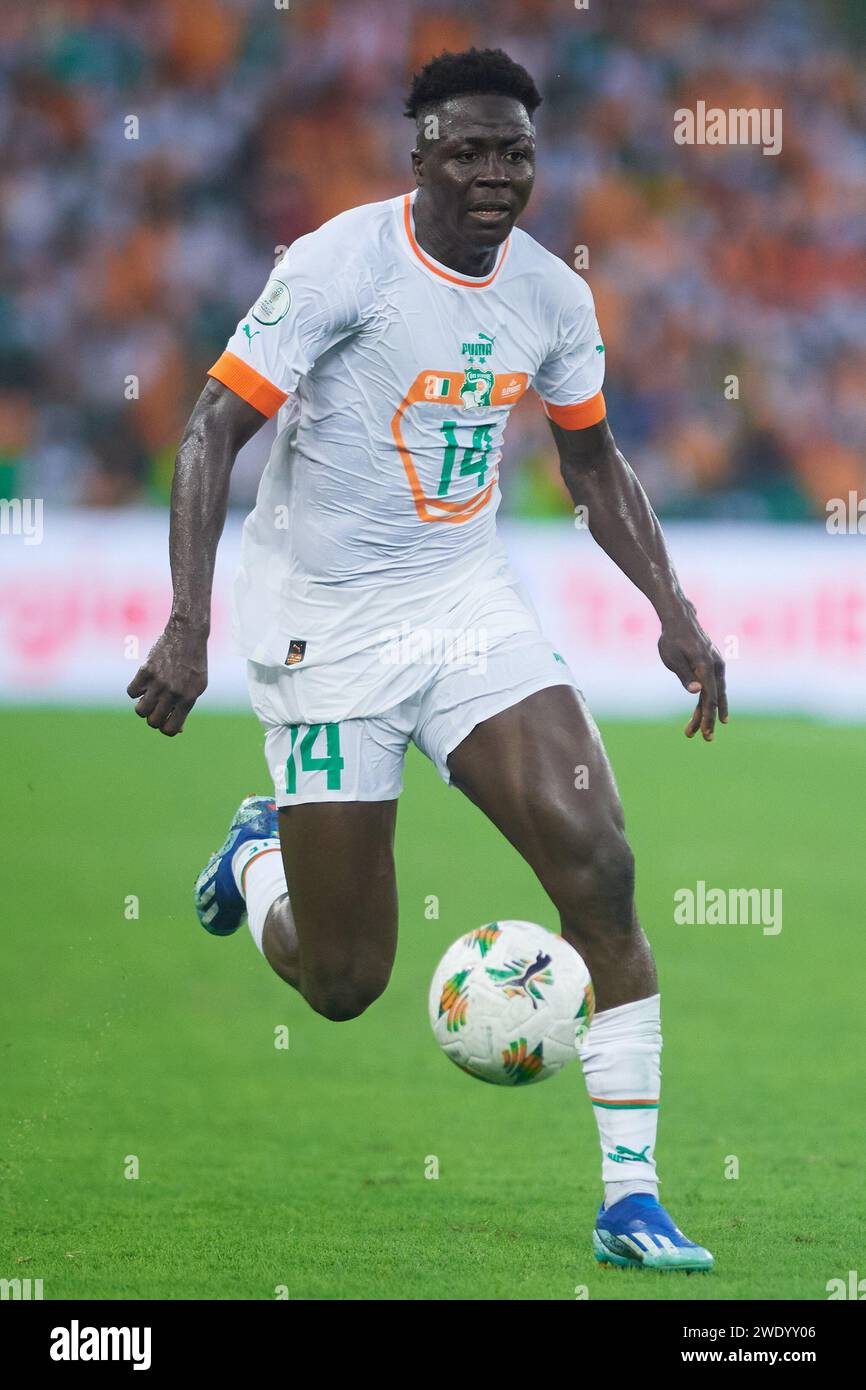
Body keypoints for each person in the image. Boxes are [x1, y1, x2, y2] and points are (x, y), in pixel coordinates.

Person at [128, 48, 727, 1272]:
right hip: (323, 623)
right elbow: (209, 427)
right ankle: (258, 864)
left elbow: (593, 464)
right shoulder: (337, 264)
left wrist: (672, 606)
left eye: (513, 150)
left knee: (599, 866)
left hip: (462, 602)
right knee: (343, 981)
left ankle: (631, 1197)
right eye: (467, 148)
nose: (494, 172)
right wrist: (186, 618)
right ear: (420, 154)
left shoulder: (554, 295)